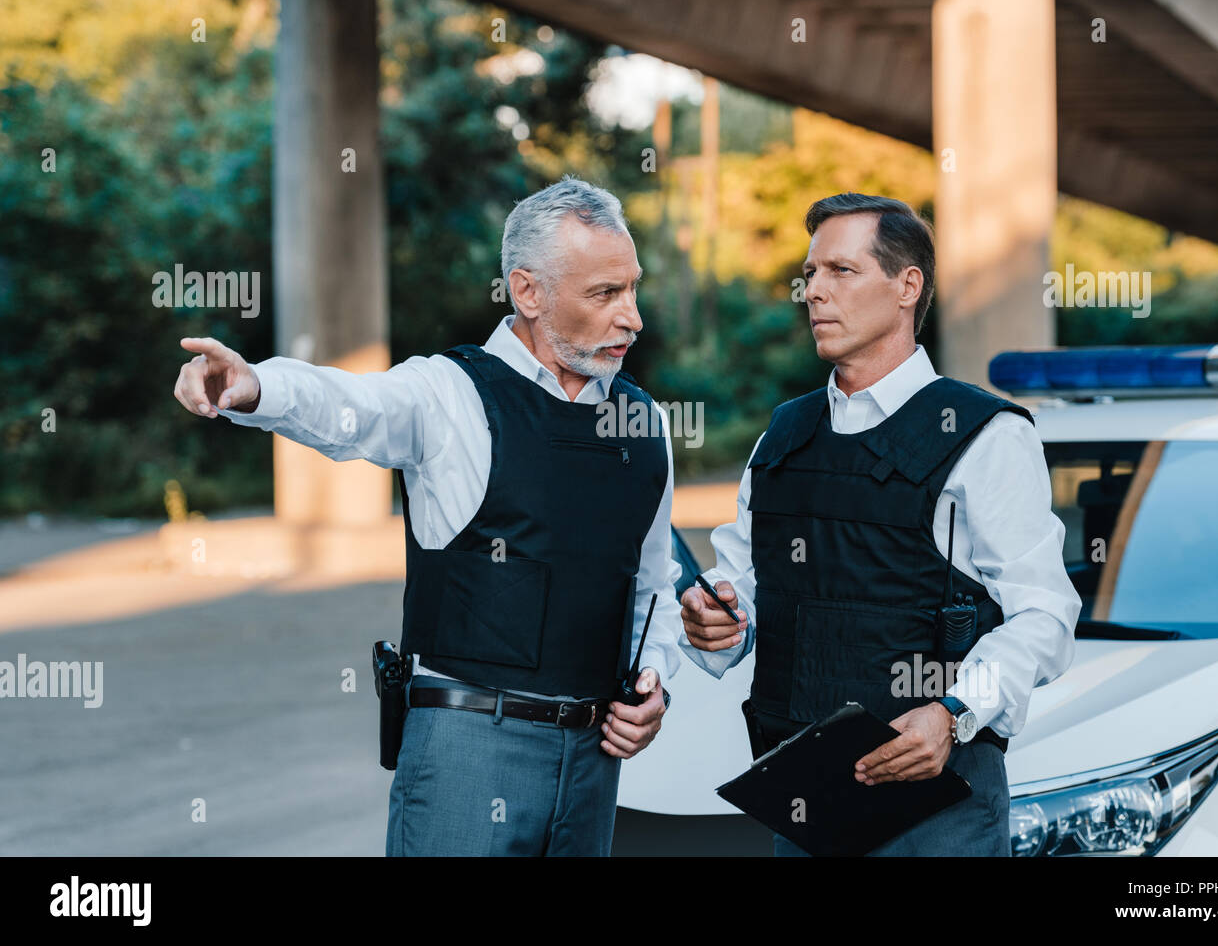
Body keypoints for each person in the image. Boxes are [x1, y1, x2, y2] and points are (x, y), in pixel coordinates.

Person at [173, 175, 681, 856]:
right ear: (527, 292)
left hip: (594, 765)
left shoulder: (645, 424)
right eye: (605, 293)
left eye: (633, 288)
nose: (633, 317)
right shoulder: (447, 394)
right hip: (468, 754)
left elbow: (653, 588)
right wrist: (257, 385)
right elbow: (352, 405)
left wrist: (656, 682)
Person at [679, 194, 1081, 856]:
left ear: (907, 286)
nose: (814, 291)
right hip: (806, 803)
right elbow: (743, 590)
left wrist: (953, 713)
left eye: (841, 271)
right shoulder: (783, 435)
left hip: (937, 809)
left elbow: (1045, 616)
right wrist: (715, 620)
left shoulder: (986, 435)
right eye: (811, 274)